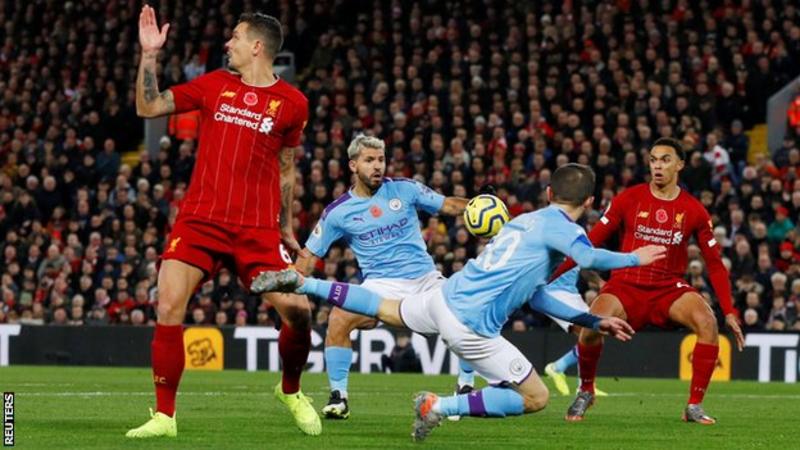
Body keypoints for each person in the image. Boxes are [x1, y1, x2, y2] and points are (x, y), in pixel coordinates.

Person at [252, 164, 666, 442]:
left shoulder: (524, 221)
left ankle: (305, 284)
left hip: (441, 298)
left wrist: (590, 319)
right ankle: (438, 405)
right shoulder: (561, 229)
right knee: (535, 397)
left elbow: (538, 295)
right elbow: (590, 258)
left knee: (383, 307)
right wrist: (635, 257)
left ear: (547, 191)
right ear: (590, 203)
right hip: (470, 326)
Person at [126, 6, 320, 438]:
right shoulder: (213, 86)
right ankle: (164, 416)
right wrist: (149, 55)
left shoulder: (293, 104)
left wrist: (286, 227)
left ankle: (290, 390)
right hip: (201, 221)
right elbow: (149, 106)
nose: (226, 43)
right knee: (168, 303)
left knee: (299, 313)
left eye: (234, 37)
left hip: (257, 231)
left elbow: (286, 168)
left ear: (256, 46)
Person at [551, 138, 745, 425]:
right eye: (653, 159)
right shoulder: (628, 199)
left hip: (667, 287)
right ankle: (586, 390)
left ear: (679, 164)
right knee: (591, 326)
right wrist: (552, 275)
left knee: (707, 322)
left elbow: (714, 264)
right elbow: (589, 243)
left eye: (665, 159)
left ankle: (694, 405)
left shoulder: (694, 210)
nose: (657, 165)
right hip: (626, 285)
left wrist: (729, 310)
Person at [294, 134, 474, 419]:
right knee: (339, 319)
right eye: (369, 161)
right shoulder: (338, 213)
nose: (377, 166)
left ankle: (465, 387)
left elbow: (449, 205)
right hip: (381, 285)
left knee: (464, 314)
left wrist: (481, 204)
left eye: (381, 159)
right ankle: (339, 398)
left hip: (424, 279)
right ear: (353, 165)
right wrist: (286, 291)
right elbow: (308, 256)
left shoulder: (405, 190)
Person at [540, 267, 609, 397]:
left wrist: (600, 283)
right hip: (553, 293)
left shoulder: (578, 248)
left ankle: (558, 368)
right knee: (591, 332)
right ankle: (584, 386)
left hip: (571, 293)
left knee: (594, 335)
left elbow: (584, 267)